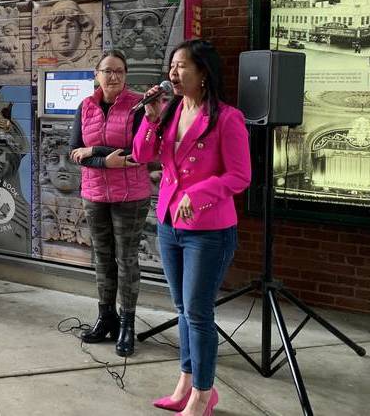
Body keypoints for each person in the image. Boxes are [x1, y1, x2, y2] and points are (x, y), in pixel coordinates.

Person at [131, 38, 250, 416]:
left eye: (182, 65)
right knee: (182, 309)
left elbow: (240, 176)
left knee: (198, 313)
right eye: (172, 65)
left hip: (209, 231)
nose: (173, 72)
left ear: (203, 73)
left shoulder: (228, 118)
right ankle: (186, 380)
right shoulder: (168, 112)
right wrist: (150, 117)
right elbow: (140, 155)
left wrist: (198, 194)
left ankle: (203, 394)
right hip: (169, 223)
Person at [69, 50, 151, 357]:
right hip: (94, 194)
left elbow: (140, 152)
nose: (113, 76)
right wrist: (106, 161)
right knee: (102, 258)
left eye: (118, 71)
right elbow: (74, 150)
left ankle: (127, 324)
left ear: (126, 75)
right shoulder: (85, 106)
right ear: (96, 75)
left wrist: (94, 150)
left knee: (126, 260)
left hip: (131, 197)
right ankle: (106, 318)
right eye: (107, 71)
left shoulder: (138, 106)